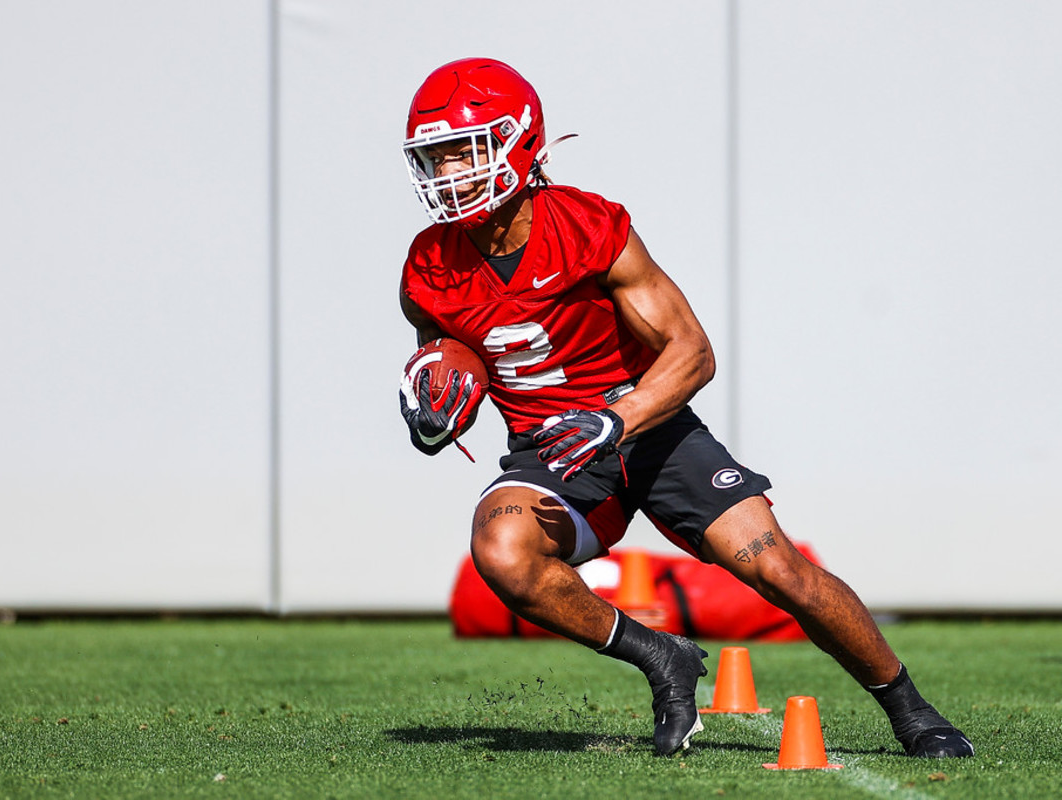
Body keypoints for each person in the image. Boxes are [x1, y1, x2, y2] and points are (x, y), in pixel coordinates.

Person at [397, 57, 972, 758]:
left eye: (468, 150)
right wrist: (432, 416)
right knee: (501, 552)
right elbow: (444, 379)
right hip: (553, 453)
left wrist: (618, 417)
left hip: (650, 432)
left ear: (518, 144)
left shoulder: (586, 226)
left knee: (779, 572)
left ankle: (912, 710)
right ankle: (660, 657)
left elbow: (692, 350)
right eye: (438, 157)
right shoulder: (428, 268)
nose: (451, 172)